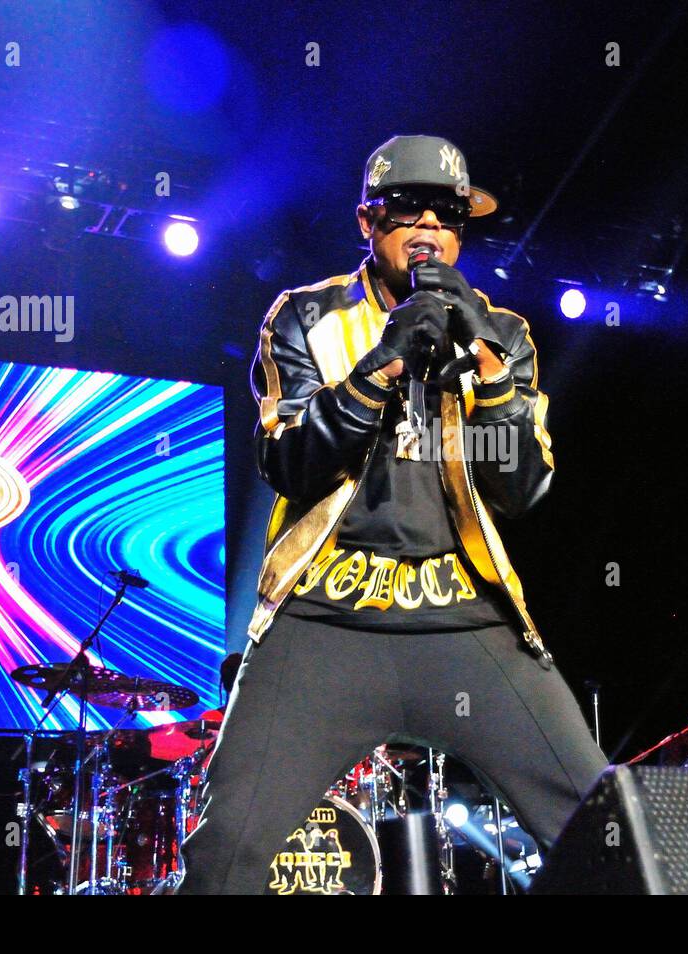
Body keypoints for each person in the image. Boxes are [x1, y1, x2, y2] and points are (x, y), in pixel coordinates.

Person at [178, 135, 607, 893]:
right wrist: (382, 363)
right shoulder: (305, 316)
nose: (429, 225)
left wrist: (492, 374)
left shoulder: (502, 332)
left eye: (447, 213)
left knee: (605, 829)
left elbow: (521, 489)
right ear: (368, 222)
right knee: (225, 855)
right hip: (326, 622)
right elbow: (290, 460)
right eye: (407, 207)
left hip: (464, 621)